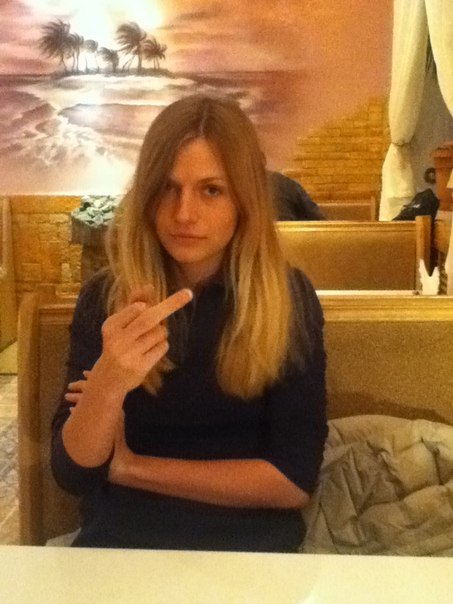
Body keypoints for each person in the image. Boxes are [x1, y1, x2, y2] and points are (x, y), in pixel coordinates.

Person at [51, 94, 328, 552]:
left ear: (243, 200)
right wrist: (109, 381)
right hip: (121, 546)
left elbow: (294, 479)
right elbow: (73, 472)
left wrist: (131, 468)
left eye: (210, 190)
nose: (183, 213)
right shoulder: (106, 296)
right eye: (167, 188)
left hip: (251, 551)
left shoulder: (287, 299)